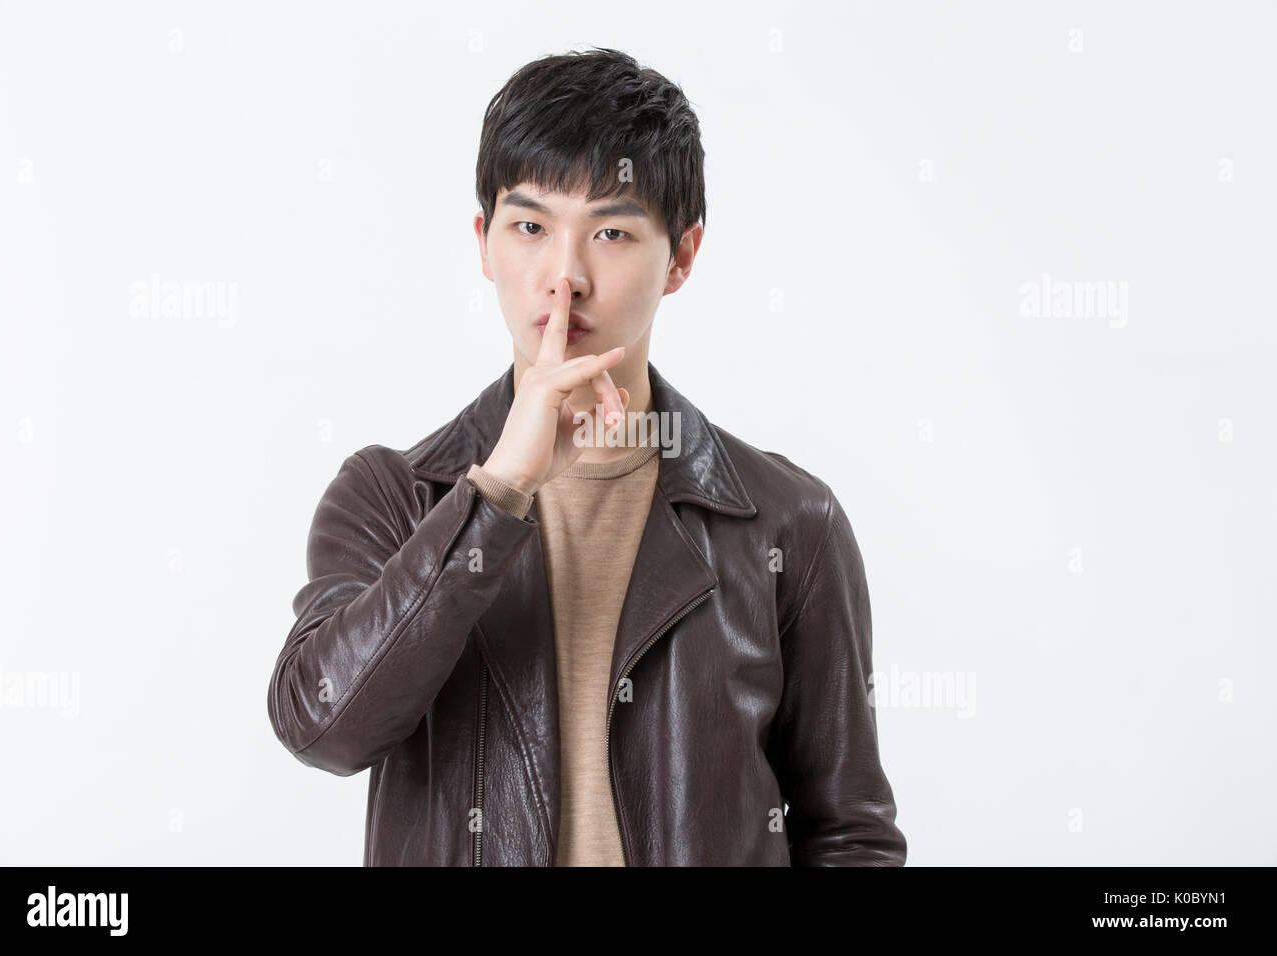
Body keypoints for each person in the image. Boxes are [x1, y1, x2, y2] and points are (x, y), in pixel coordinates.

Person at [267, 46, 907, 866]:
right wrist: (496, 494)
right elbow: (321, 727)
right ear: (484, 243)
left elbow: (849, 833)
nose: (563, 278)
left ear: (681, 257)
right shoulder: (395, 496)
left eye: (610, 231)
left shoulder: (788, 522)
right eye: (529, 227)